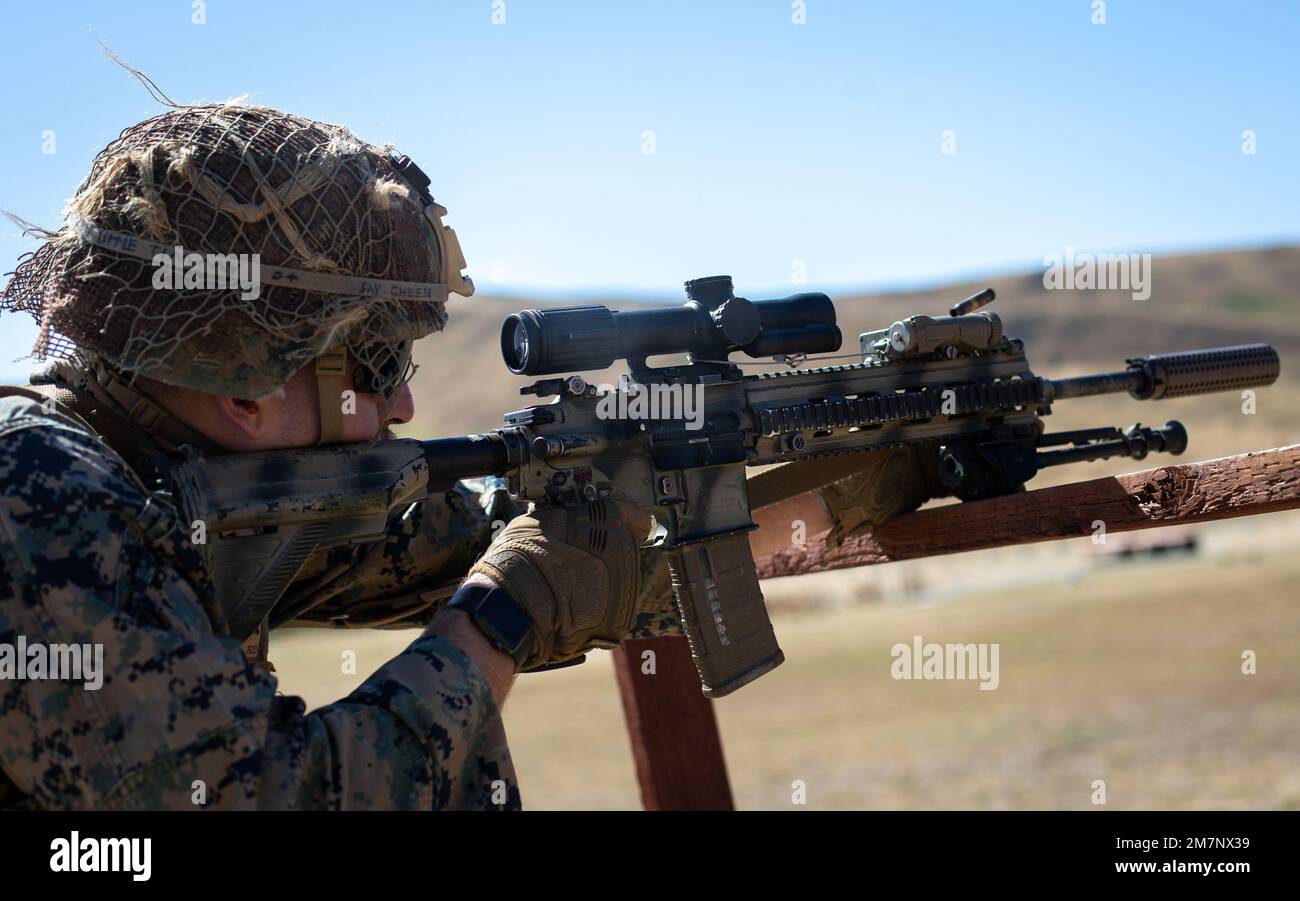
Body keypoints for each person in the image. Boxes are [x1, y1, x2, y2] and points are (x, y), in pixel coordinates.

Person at [0, 103, 679, 810]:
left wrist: (714, 516)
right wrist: (495, 622)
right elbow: (272, 796)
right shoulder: (36, 496)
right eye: (379, 363)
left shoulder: (187, 474)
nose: (403, 406)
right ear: (248, 380)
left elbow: (460, 544)